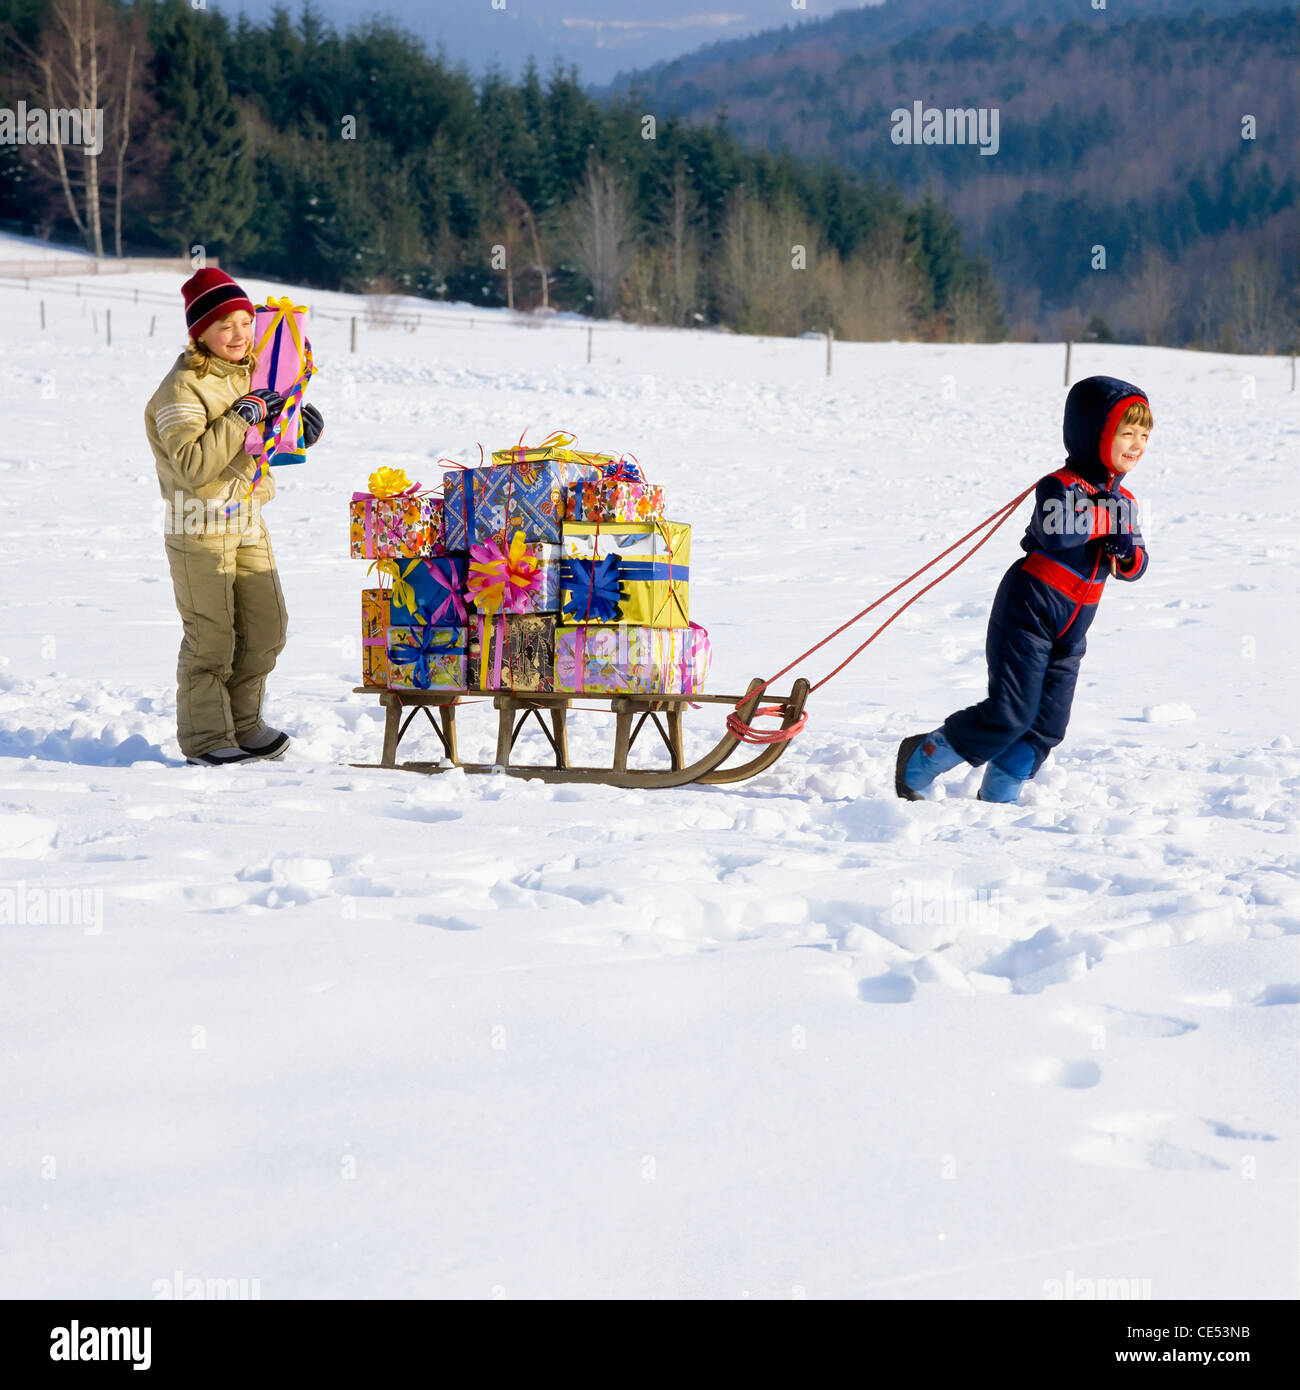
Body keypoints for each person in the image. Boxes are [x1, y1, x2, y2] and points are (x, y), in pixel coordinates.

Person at [896, 374, 1151, 804]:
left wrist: (1125, 553)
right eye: (1126, 432)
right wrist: (1108, 522)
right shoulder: (1060, 485)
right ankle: (921, 758)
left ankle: (1000, 793)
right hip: (1029, 610)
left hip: (1072, 629)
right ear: (1093, 434)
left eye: (1144, 434)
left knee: (1048, 725)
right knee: (1010, 712)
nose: (1137, 443)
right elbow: (1057, 531)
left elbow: (1136, 565)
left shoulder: (1126, 503)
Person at [144, 268, 324, 766]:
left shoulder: (254, 373)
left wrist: (298, 433)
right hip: (195, 521)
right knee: (212, 638)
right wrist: (241, 414)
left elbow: (260, 451)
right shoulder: (181, 389)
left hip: (247, 516)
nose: (239, 335)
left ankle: (243, 725)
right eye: (225, 326)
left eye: (245, 322)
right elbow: (194, 465)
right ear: (199, 332)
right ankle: (206, 738)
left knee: (267, 628)